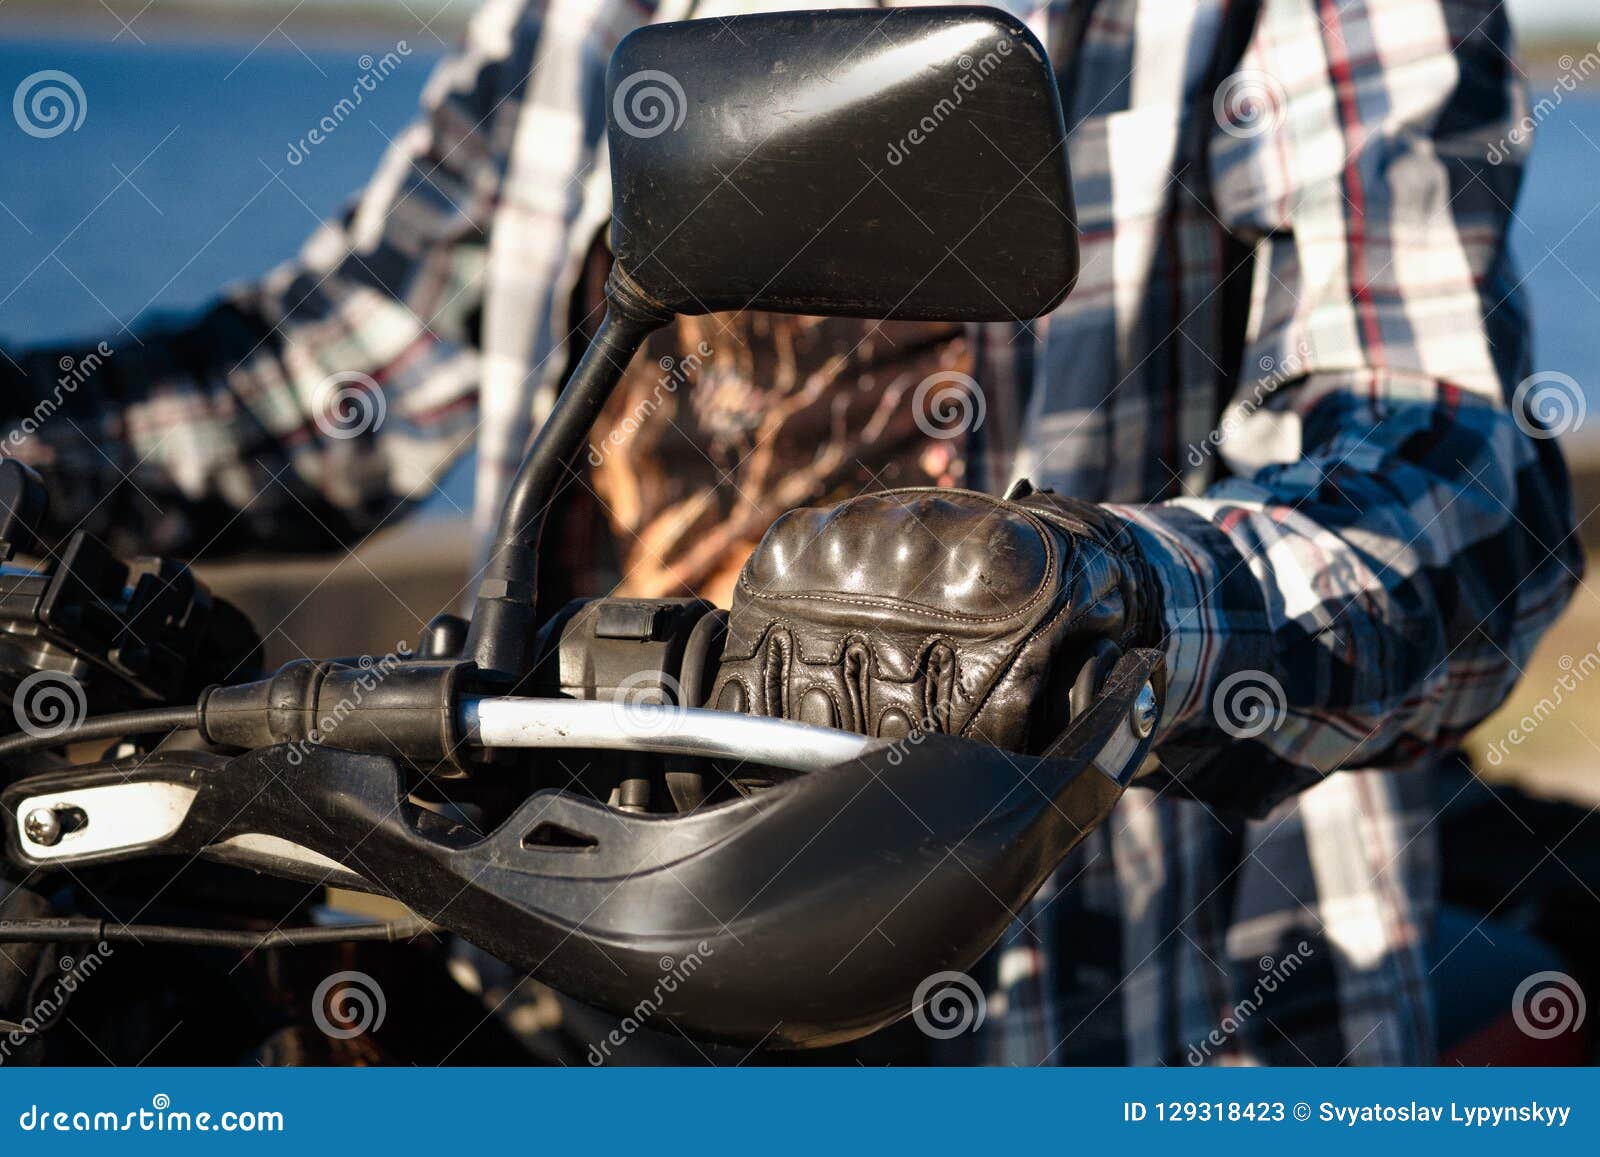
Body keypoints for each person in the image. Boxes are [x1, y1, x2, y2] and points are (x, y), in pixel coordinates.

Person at [0, 0, 1578, 1065]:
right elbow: (363, 353)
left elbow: (1450, 471)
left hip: (1089, 1031)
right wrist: (32, 440)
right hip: (541, 988)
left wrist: (1105, 609)